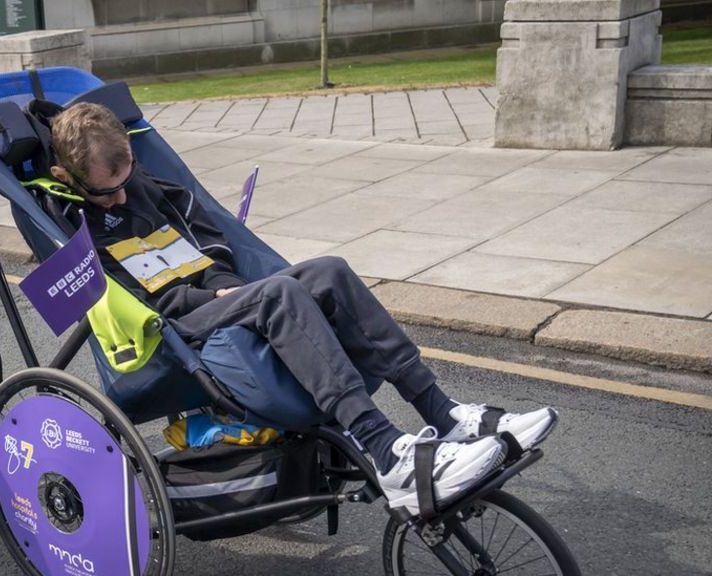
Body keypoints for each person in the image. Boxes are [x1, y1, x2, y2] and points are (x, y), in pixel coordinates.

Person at [46, 102, 560, 516]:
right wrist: (212, 298)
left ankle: (444, 414)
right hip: (165, 327)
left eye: (124, 178)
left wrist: (223, 285)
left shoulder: (151, 187)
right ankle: (384, 449)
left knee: (330, 270)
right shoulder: (72, 222)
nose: (117, 196)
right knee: (279, 294)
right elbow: (123, 300)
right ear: (67, 176)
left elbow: (211, 242)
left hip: (215, 300)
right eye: (102, 190)